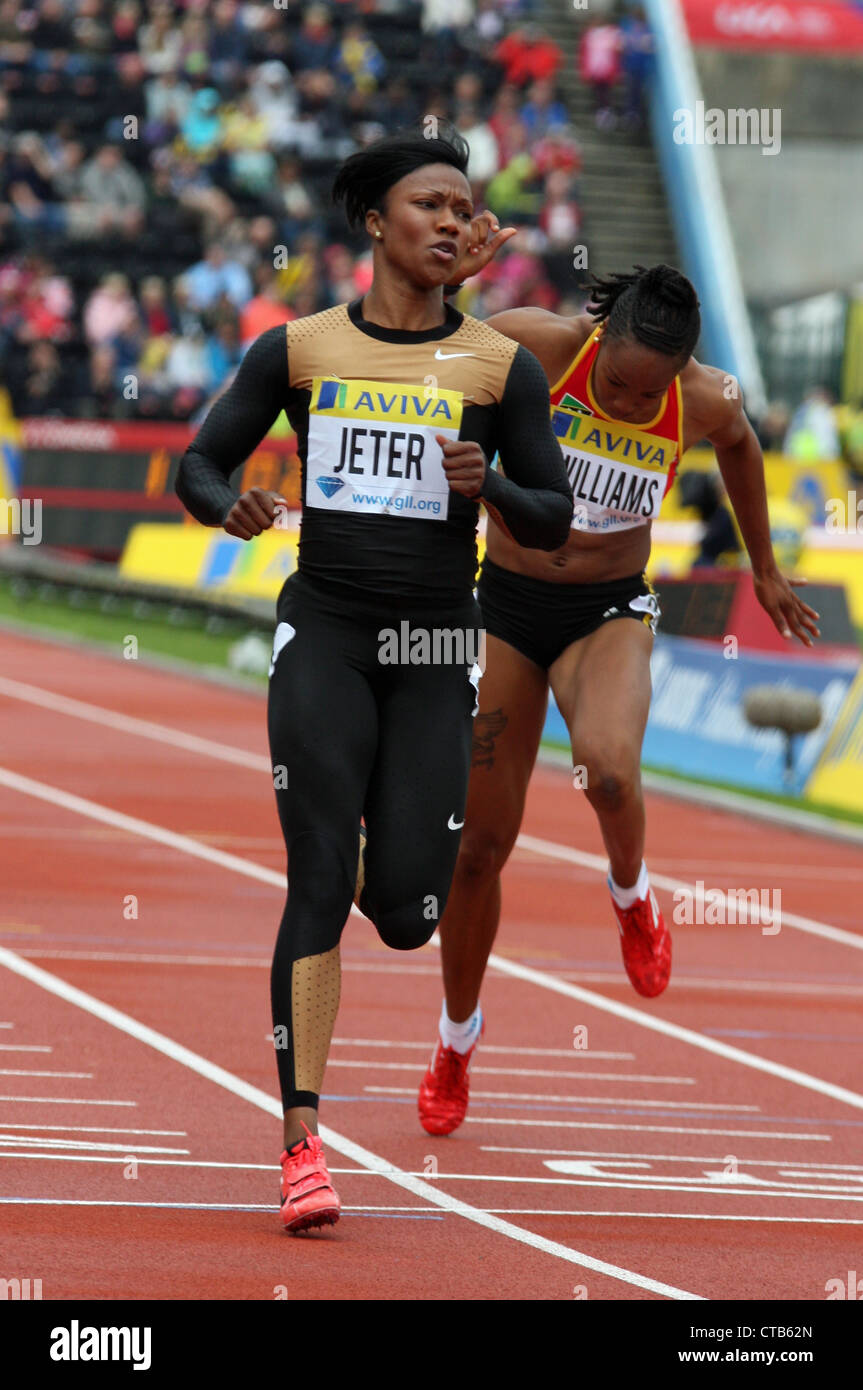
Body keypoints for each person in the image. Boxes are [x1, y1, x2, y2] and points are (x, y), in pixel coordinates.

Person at [174, 127, 573, 1232]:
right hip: (330, 632)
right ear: (373, 222)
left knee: (405, 912)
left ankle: (377, 853)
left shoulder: (498, 367)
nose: (449, 219)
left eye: (463, 206)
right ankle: (302, 1142)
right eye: (427, 204)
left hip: (439, 644)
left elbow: (555, 515)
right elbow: (197, 463)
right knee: (314, 872)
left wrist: (487, 480)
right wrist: (229, 505)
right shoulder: (296, 351)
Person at [417, 257, 821, 1137]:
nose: (633, 401)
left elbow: (743, 448)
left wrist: (762, 568)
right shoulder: (539, 344)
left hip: (607, 605)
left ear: (679, 375)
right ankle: (455, 1040)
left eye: (650, 391)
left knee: (606, 769)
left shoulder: (704, 400)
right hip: (507, 603)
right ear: (597, 341)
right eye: (619, 383)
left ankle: (632, 897)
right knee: (478, 847)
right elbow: (427, 345)